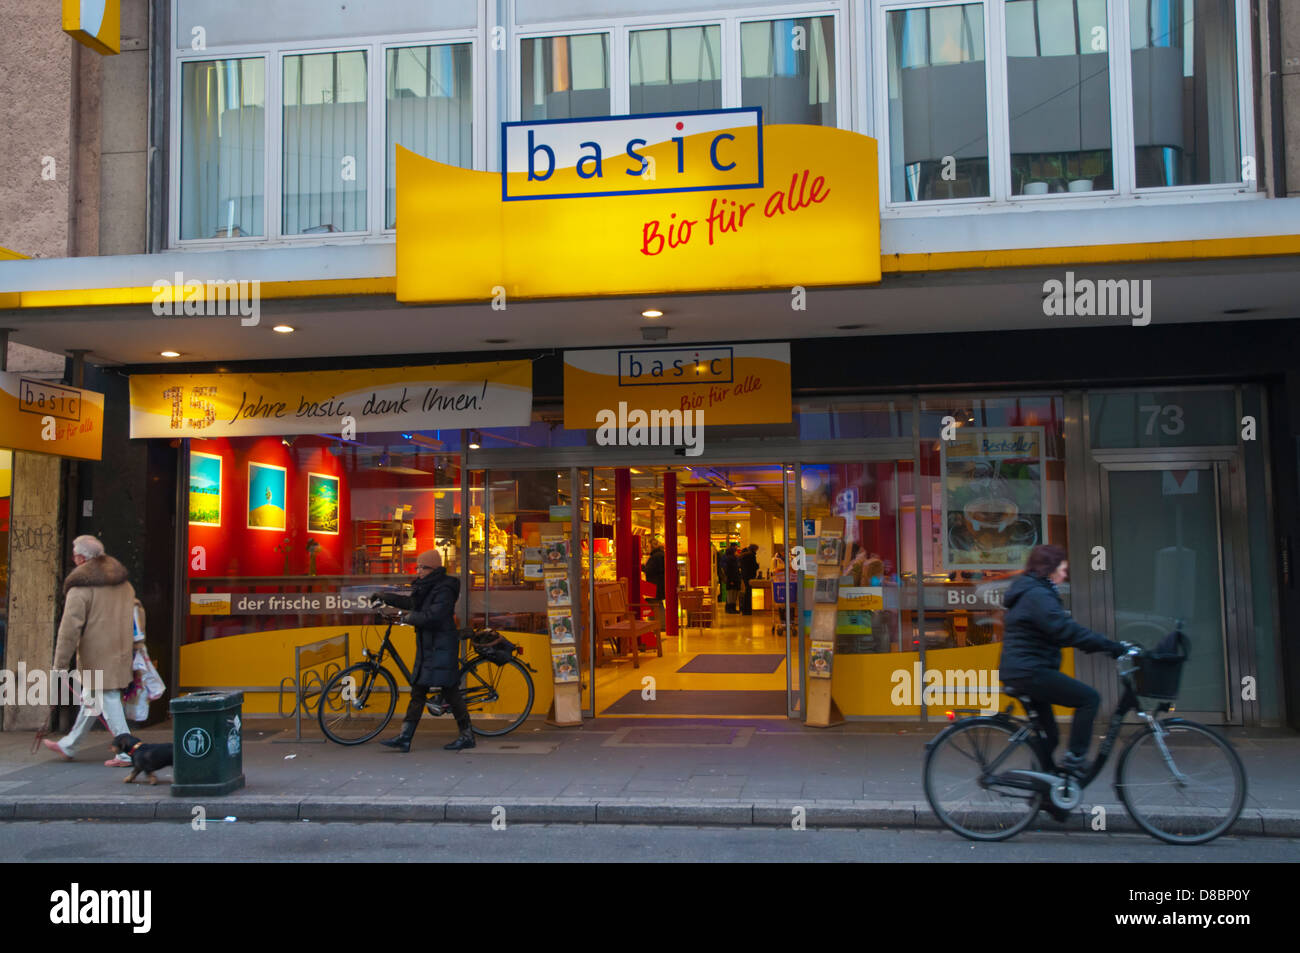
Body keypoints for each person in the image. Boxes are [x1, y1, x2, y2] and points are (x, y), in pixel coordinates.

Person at [999, 544, 1127, 778]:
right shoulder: (1037, 594)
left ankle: (1044, 792)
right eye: (1063, 569)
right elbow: (1064, 630)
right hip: (1030, 671)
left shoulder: (1032, 590)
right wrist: (1111, 647)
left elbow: (1058, 630)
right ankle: (1076, 759)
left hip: (1024, 670)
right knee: (1089, 698)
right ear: (1050, 568)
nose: (1065, 574)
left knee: (1050, 735)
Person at [43, 536, 136, 766]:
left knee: (108, 698)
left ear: (81, 558)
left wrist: (59, 666)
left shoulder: (81, 588)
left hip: (97, 656)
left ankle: (127, 751)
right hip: (121, 651)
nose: (74, 558)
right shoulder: (124, 584)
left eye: (75, 554)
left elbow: (69, 630)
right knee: (91, 700)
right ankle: (70, 744)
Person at [376, 549, 474, 752]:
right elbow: (412, 603)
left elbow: (434, 616)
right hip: (429, 645)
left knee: (450, 691)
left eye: (423, 567)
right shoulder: (426, 586)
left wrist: (411, 618)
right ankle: (405, 737)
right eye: (418, 566)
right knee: (418, 691)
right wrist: (386, 597)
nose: (419, 571)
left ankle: (467, 735)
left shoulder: (445, 588)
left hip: (441, 645)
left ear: (433, 568)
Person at [642, 545, 666, 633]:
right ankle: (659, 624)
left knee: (654, 604)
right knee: (658, 604)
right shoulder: (662, 554)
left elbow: (649, 570)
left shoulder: (654, 557)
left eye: (648, 546)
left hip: (654, 584)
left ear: (652, 547)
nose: (647, 548)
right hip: (661, 584)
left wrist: (642, 566)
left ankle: (658, 625)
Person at [739, 544, 759, 616]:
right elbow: (754, 566)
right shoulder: (751, 555)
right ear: (754, 549)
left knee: (747, 591)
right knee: (749, 592)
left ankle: (745, 609)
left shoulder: (743, 555)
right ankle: (747, 609)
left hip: (744, 575)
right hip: (750, 575)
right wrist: (757, 566)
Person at [721, 544, 742, 614]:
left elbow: (727, 570)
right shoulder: (733, 559)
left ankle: (730, 609)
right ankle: (732, 609)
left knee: (730, 595)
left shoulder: (727, 559)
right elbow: (732, 570)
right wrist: (732, 580)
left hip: (731, 579)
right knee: (733, 595)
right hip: (733, 579)